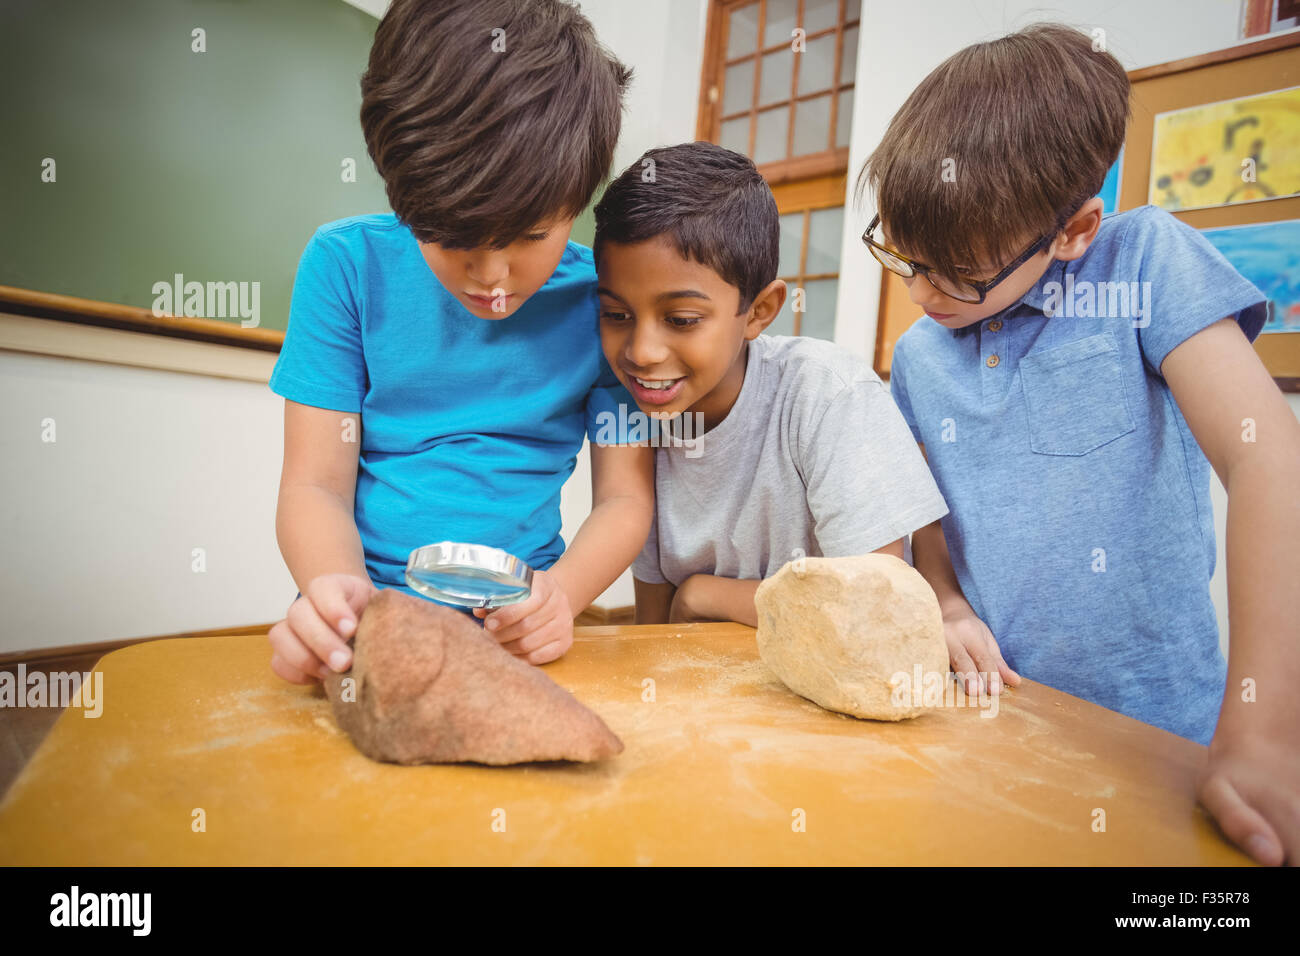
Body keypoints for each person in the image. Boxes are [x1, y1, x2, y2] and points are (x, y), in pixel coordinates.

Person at [861, 23, 1299, 864]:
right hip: (992, 722)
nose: (921, 293)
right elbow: (926, 508)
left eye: (957, 273)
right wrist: (945, 603)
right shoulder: (920, 355)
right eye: (904, 258)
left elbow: (1266, 457)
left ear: (1073, 231)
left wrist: (1269, 730)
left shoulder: (1143, 265)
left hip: (1158, 734)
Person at [266, 0, 653, 681]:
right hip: (365, 627)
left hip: (515, 635)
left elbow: (624, 498)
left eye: (532, 236)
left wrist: (560, 597)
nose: (493, 279)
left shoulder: (608, 304)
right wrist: (336, 598)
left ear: (580, 196)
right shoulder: (346, 266)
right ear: (402, 196)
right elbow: (314, 485)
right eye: (449, 238)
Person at [593, 141, 948, 627]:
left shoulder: (824, 394)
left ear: (759, 311)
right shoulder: (633, 419)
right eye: (616, 314)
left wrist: (703, 596)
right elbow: (655, 636)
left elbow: (877, 607)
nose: (641, 352)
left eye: (680, 319)